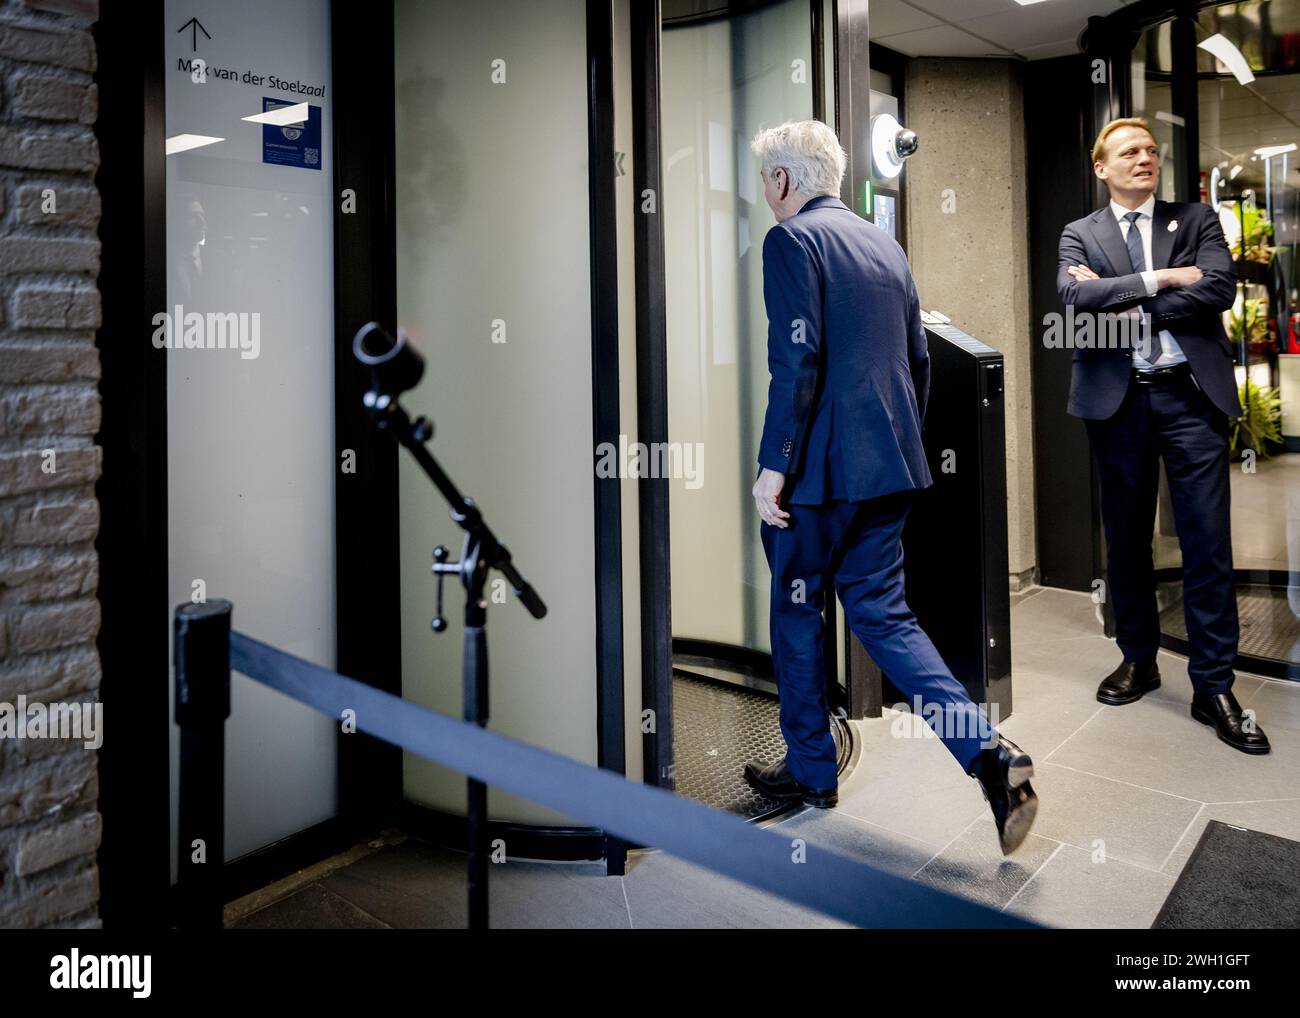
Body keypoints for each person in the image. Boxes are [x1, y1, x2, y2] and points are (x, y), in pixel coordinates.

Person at [743, 119, 1038, 855]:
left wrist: (774, 464)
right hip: (890, 466)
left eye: (764, 182)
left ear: (781, 180)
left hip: (818, 475)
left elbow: (796, 365)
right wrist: (895, 445)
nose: (765, 195)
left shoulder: (791, 242)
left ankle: (811, 770)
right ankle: (988, 755)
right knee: (886, 618)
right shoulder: (887, 246)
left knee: (798, 611)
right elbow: (918, 359)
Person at [1057, 116, 1269, 754]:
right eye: (1130, 151)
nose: (1145, 158)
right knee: (1125, 540)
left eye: (1151, 150)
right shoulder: (1080, 233)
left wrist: (1124, 301)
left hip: (1189, 398)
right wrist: (1164, 280)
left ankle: (1213, 685)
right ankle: (1139, 659)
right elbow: (1071, 304)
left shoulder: (1196, 219)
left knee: (1206, 542)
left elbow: (1221, 291)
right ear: (1102, 168)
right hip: (1115, 405)